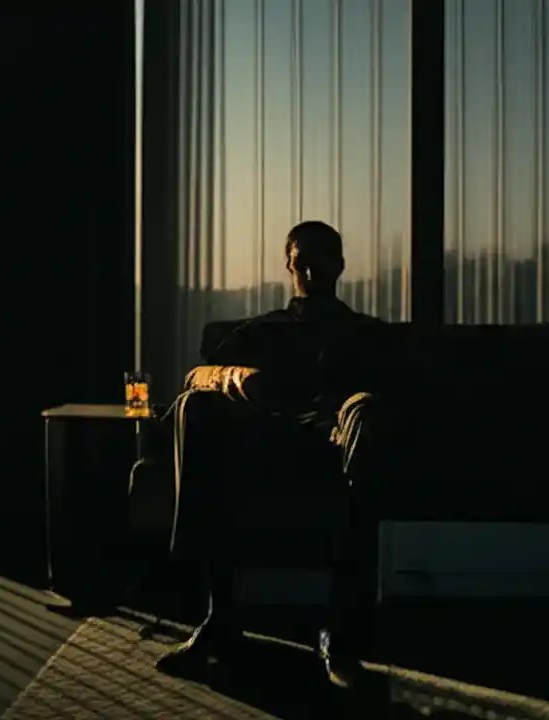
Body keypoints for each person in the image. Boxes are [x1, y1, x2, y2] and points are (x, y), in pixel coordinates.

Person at [155, 221, 391, 689]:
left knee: (368, 417)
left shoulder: (366, 335)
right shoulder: (260, 331)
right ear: (288, 264)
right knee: (197, 406)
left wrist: (352, 407)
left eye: (321, 257)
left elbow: (399, 388)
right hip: (255, 445)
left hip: (336, 445)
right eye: (301, 257)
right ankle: (219, 616)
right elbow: (196, 378)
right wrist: (237, 378)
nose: (309, 267)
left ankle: (341, 631)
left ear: (340, 266)